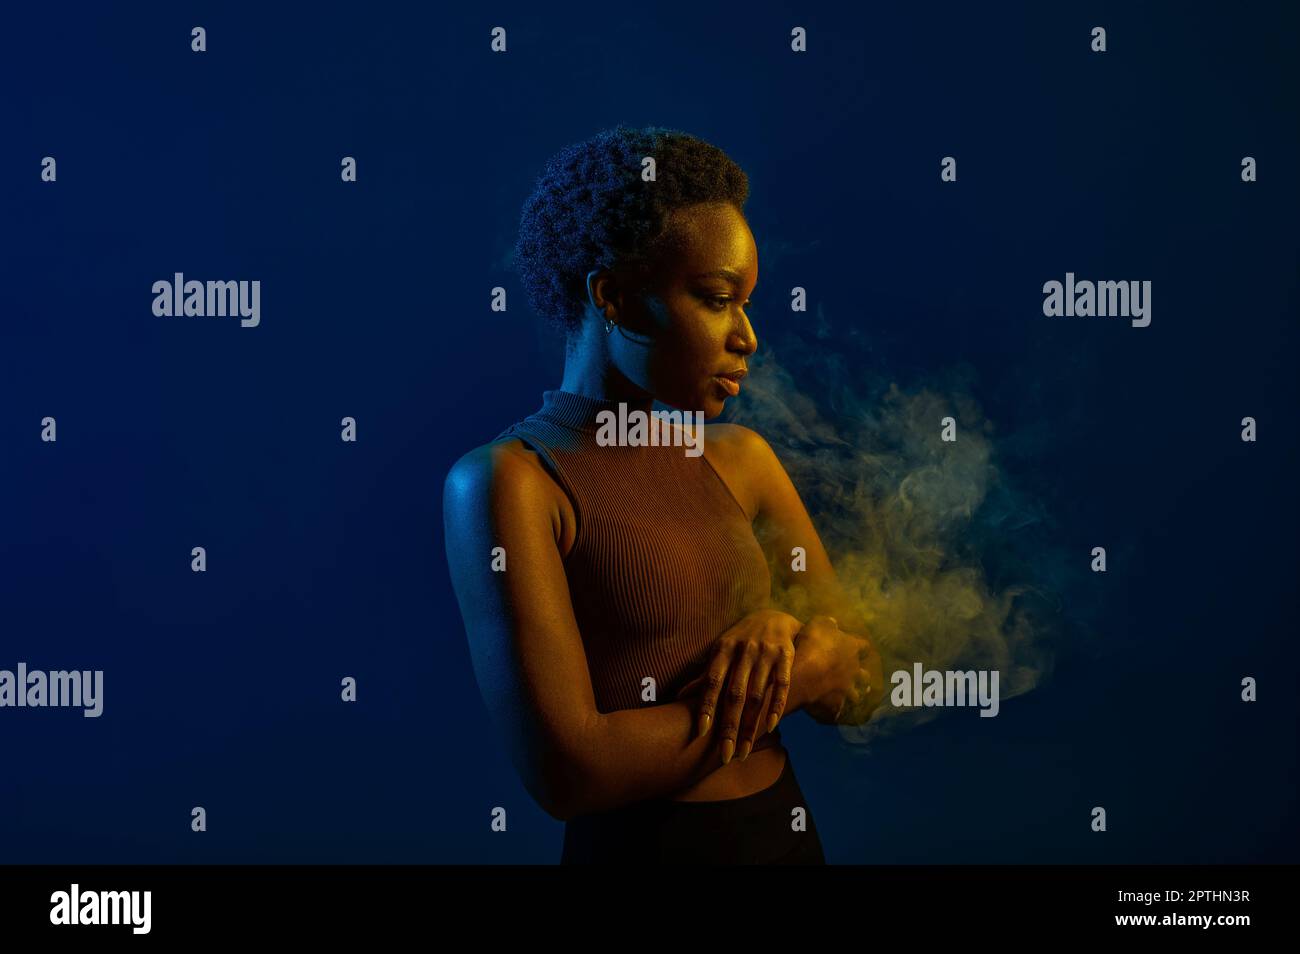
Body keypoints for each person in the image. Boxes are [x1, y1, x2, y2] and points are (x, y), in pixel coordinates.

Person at [443, 125, 885, 863]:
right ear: (613, 297)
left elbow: (863, 687)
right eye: (716, 299)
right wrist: (796, 676)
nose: (747, 336)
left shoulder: (742, 462)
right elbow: (572, 774)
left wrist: (783, 623)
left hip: (785, 841)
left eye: (747, 303)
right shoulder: (509, 482)